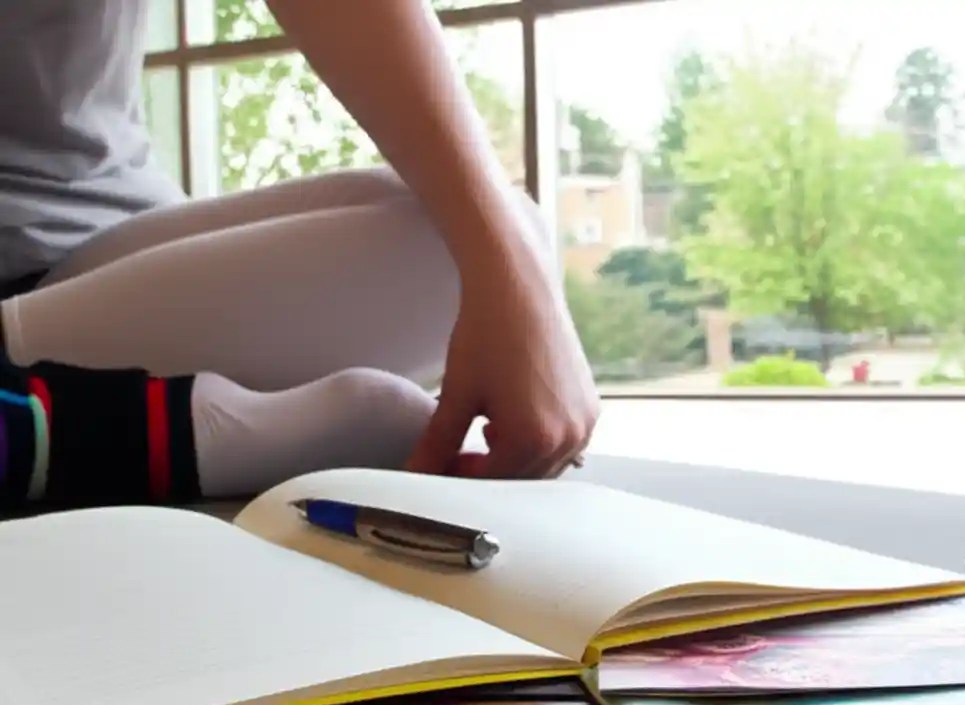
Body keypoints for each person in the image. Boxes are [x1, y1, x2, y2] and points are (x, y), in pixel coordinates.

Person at [0, 1, 599, 511]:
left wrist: (517, 284)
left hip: (94, 256)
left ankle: (78, 409)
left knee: (470, 241)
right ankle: (167, 430)